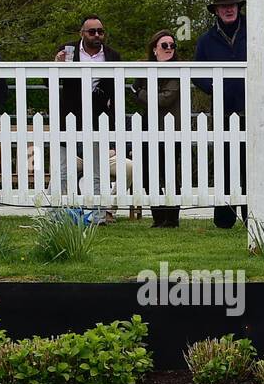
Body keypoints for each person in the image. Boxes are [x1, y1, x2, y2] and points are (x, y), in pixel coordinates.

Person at [194, 0, 254, 228]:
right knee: (223, 164)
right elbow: (197, 74)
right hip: (222, 110)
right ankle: (224, 217)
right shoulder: (207, 40)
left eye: (232, 5)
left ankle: (253, 215)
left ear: (239, 8)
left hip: (251, 110)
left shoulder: (255, 33)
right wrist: (215, 88)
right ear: (216, 11)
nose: (229, 9)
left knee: (252, 165)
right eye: (223, 6)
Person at [53, 16, 122, 225]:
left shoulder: (112, 55)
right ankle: (55, 214)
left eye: (100, 31)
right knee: (63, 169)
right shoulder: (67, 52)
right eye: (92, 32)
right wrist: (55, 65)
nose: (97, 35)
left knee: (98, 170)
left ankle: (99, 215)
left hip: (99, 117)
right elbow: (50, 85)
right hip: (69, 117)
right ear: (82, 33)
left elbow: (116, 89)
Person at [132, 30, 183, 228]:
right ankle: (158, 217)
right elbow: (134, 92)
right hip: (148, 127)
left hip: (171, 129)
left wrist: (142, 92)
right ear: (155, 49)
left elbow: (165, 98)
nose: (169, 48)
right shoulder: (146, 69)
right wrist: (141, 92)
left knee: (169, 174)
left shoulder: (176, 70)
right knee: (148, 174)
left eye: (172, 45)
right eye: (164, 45)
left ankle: (172, 218)